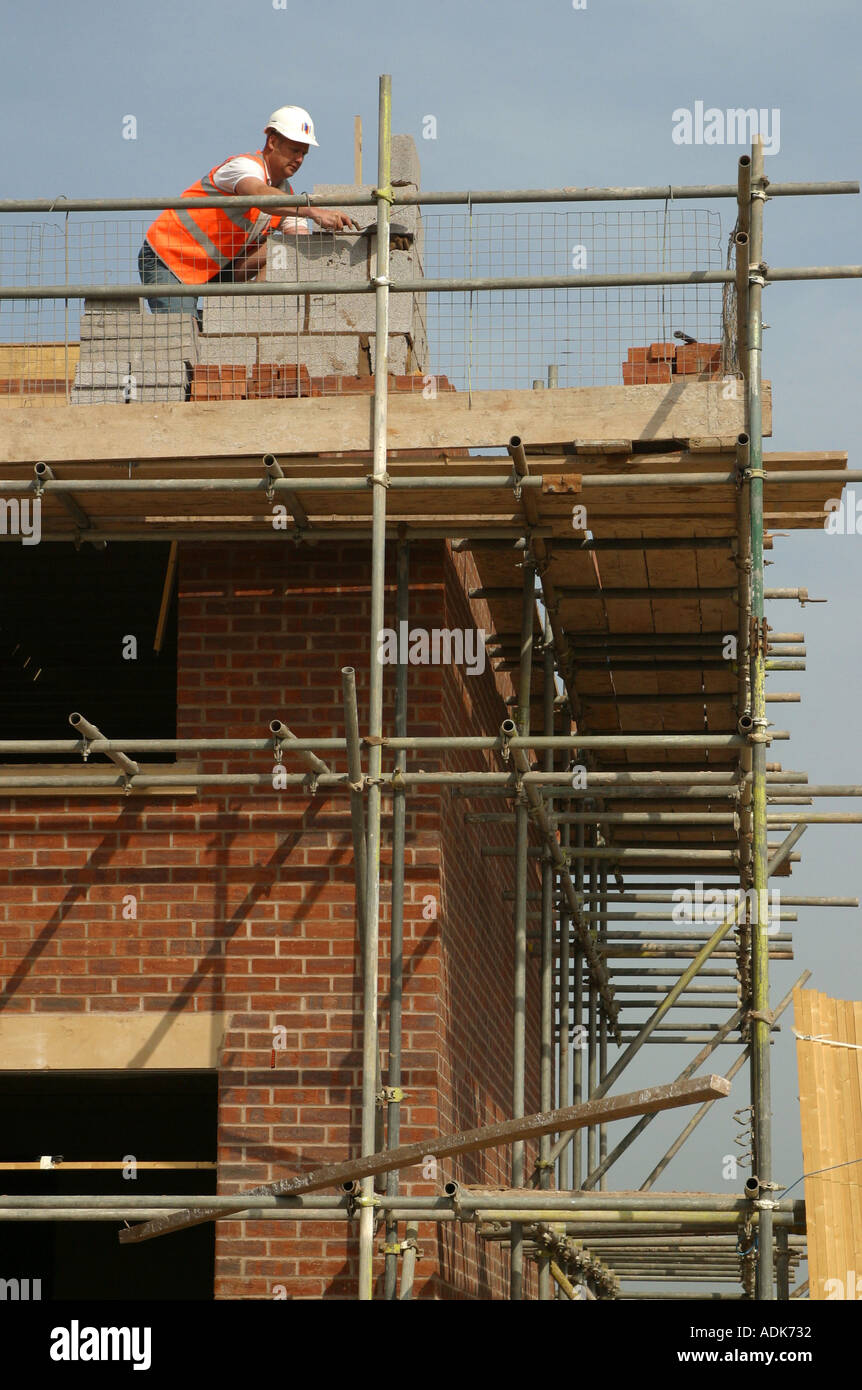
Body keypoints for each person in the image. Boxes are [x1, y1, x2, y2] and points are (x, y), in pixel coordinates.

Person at [138, 106, 358, 313]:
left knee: (289, 247)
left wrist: (335, 250)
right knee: (183, 338)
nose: (299, 159)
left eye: (304, 153)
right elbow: (259, 194)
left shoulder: (287, 195)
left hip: (214, 268)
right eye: (294, 150)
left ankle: (255, 307)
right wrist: (314, 210)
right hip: (168, 259)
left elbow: (298, 242)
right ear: (272, 141)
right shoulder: (244, 167)